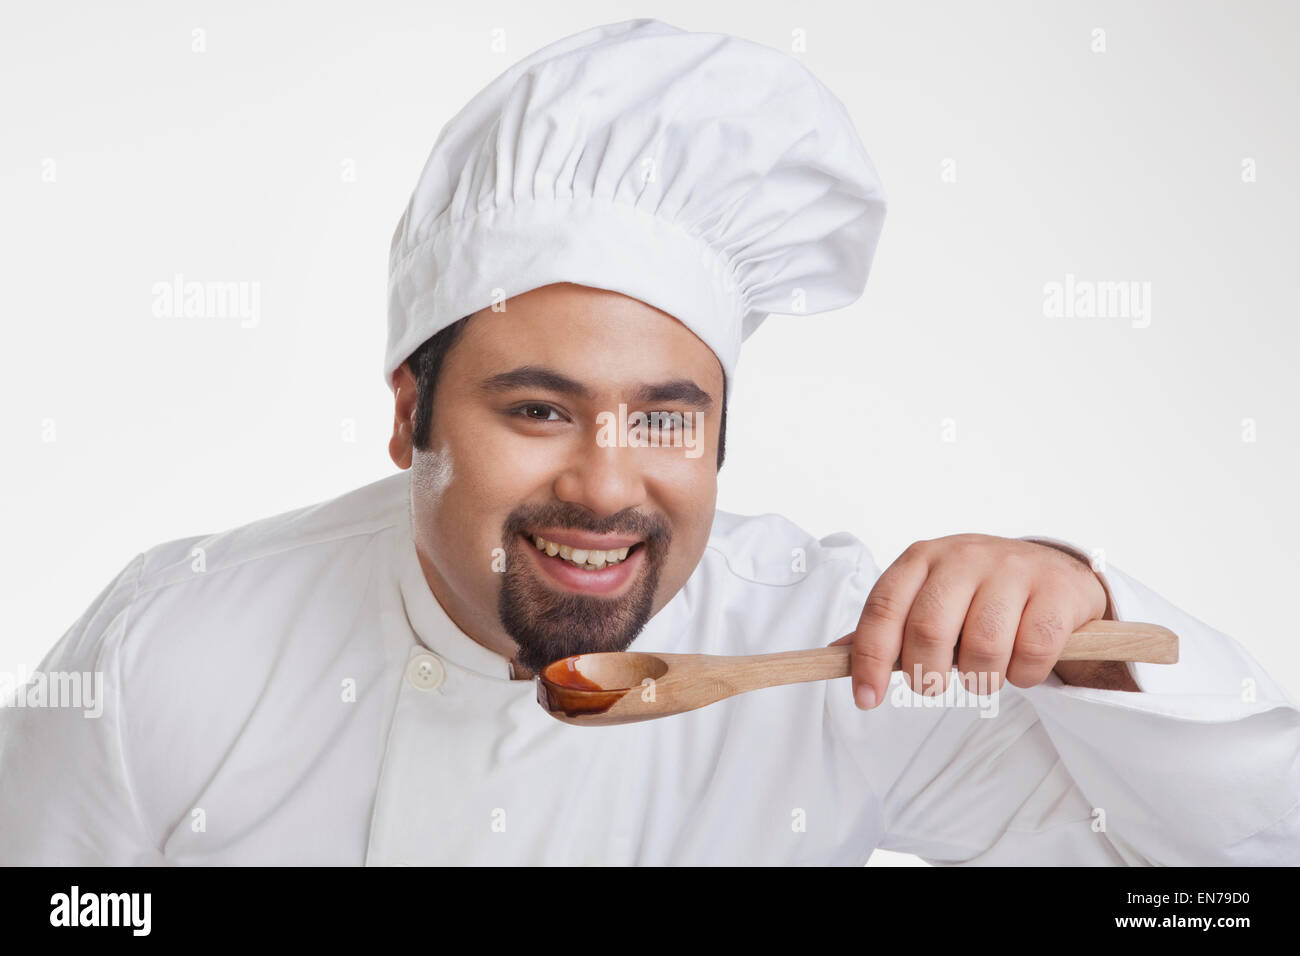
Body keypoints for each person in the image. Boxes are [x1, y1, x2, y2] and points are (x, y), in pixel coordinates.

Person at [2, 18, 1296, 866]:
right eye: (537, 409)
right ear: (410, 414)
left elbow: (1216, 889)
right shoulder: (179, 648)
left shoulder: (840, 659)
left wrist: (1091, 625)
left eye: (667, 415)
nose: (607, 482)